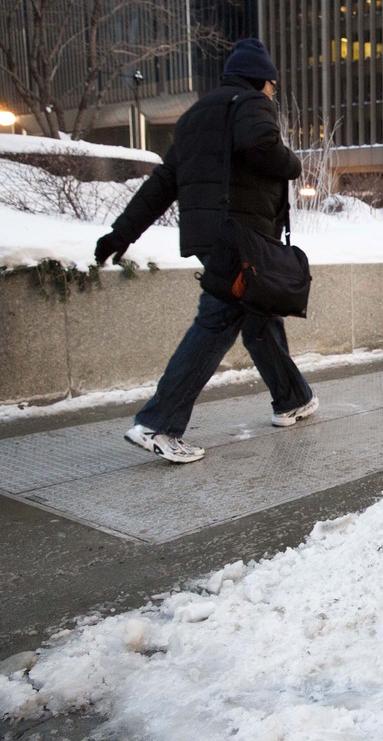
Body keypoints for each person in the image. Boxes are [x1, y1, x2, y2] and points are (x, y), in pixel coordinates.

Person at [94, 39, 317, 464]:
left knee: (260, 312)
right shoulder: (252, 102)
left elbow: (162, 184)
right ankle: (159, 424)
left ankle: (293, 399)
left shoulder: (195, 116)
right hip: (240, 238)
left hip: (211, 236)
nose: (273, 93)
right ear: (262, 80)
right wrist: (292, 164)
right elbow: (261, 144)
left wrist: (120, 234)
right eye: (273, 86)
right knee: (218, 321)